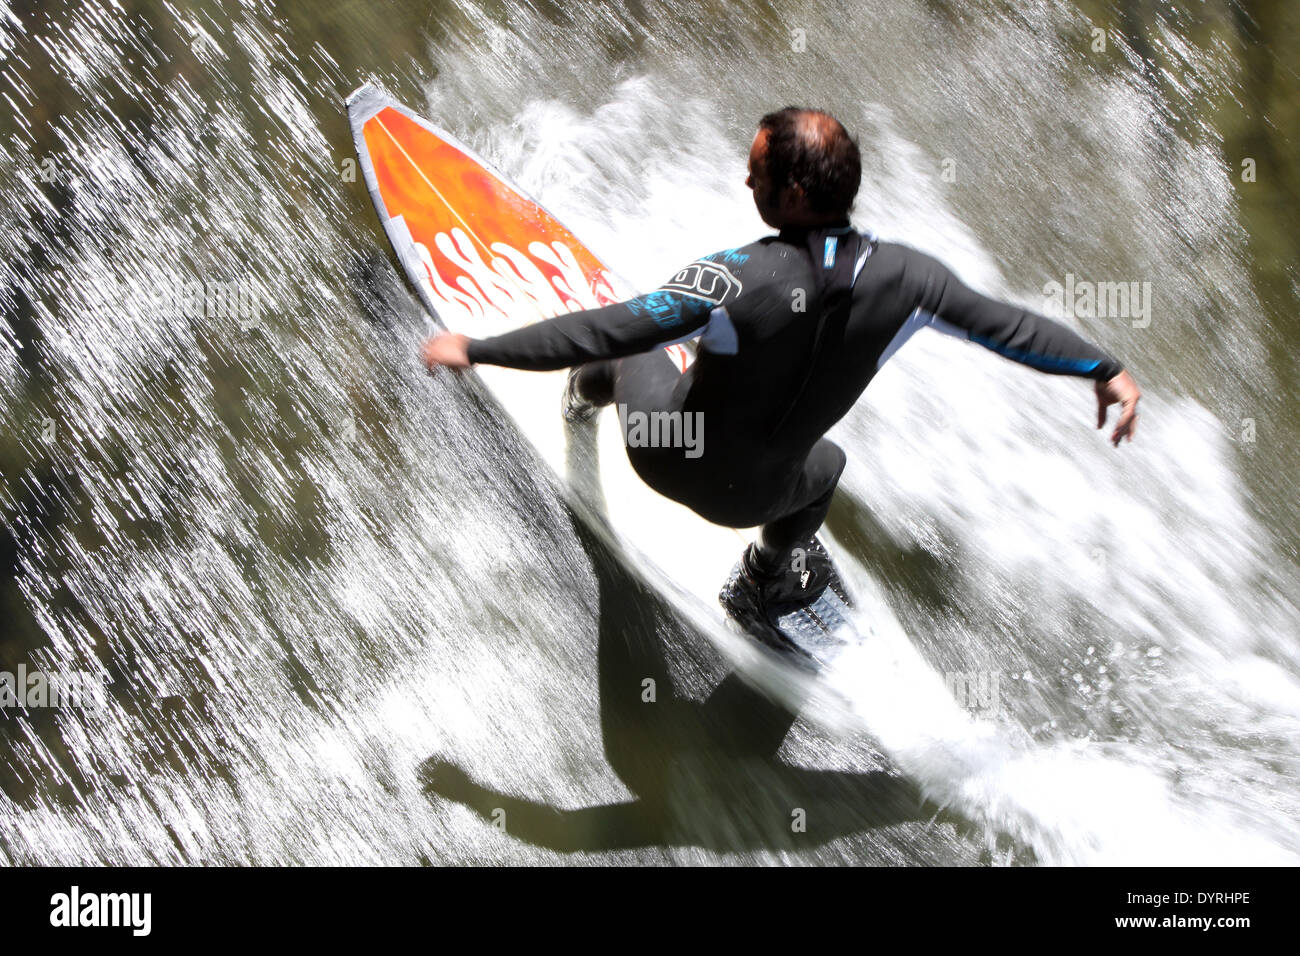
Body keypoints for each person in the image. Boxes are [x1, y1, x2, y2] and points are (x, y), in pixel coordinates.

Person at [421, 106, 1141, 623]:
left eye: (755, 171)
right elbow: (1008, 327)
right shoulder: (914, 281)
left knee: (638, 345)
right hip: (760, 500)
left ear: (792, 195)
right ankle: (766, 582)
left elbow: (609, 325)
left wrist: (479, 350)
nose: (746, 182)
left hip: (667, 457)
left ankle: (580, 404)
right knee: (825, 468)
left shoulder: (734, 275)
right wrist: (1102, 367)